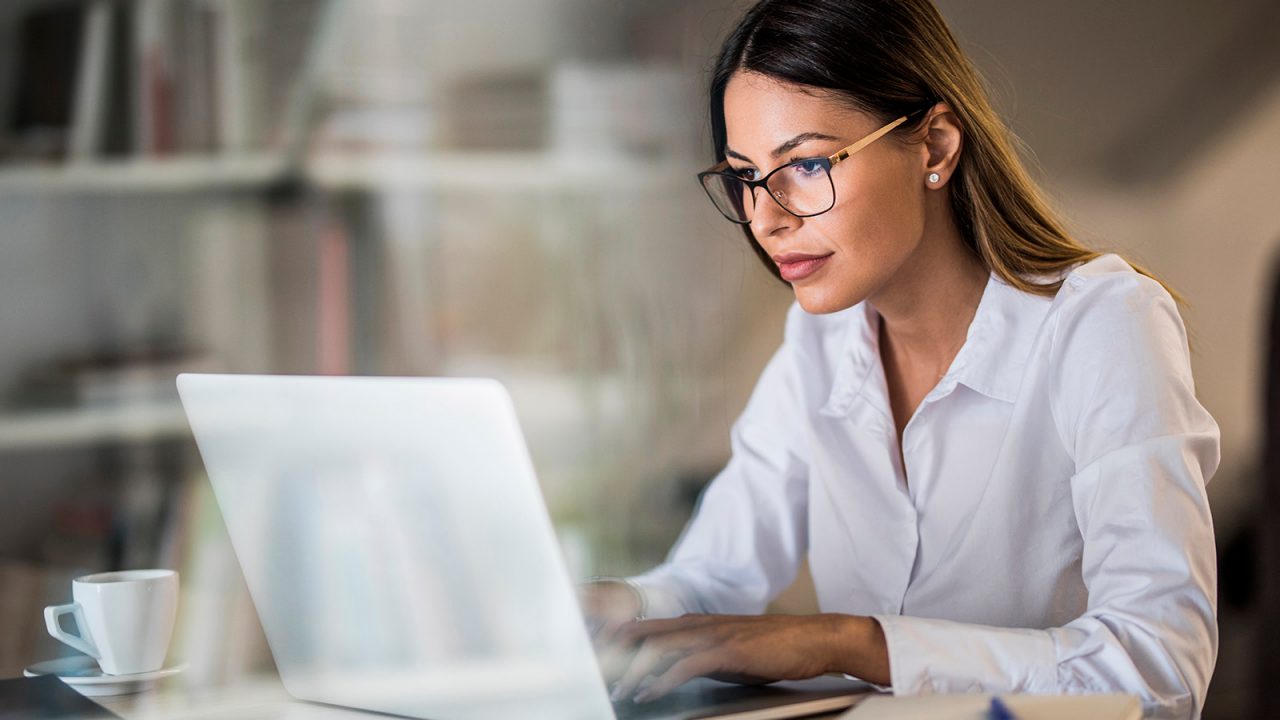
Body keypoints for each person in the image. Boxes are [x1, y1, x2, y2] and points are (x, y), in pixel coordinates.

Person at [578, 1, 1219, 719]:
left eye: (807, 164)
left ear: (936, 148)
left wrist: (853, 643)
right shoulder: (818, 343)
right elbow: (714, 577)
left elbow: (1162, 669)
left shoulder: (1101, 323)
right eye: (745, 176)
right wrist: (608, 607)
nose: (767, 218)